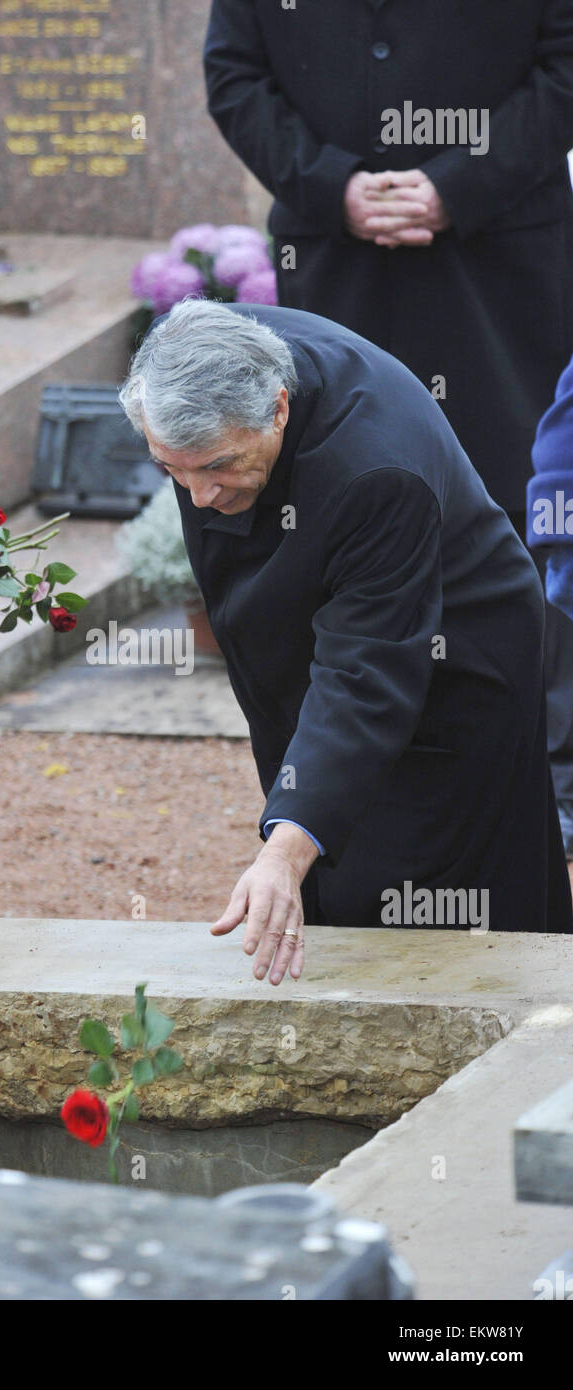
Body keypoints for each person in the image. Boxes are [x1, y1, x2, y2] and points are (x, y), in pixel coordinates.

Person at [203, 0, 573, 876]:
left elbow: (562, 60)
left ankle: (545, 776)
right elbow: (234, 73)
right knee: (327, 525)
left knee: (515, 511)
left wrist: (460, 182)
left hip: (500, 262)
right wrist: (329, 184)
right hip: (333, 262)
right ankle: (330, 799)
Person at [119, 300, 572, 985]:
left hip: (453, 654)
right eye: (170, 471)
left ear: (277, 408)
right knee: (337, 857)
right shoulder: (189, 352)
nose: (199, 496)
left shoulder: (375, 470)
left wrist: (284, 850)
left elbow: (364, 675)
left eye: (215, 467)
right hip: (341, 618)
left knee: (421, 896)